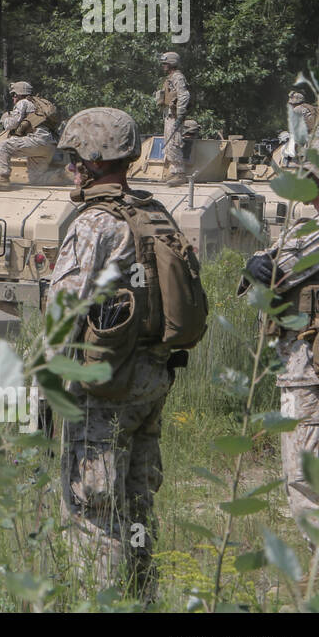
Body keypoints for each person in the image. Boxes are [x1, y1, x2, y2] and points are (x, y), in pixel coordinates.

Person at [50, 107, 189, 594]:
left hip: (103, 389)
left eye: (73, 159)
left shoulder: (96, 223)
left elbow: (60, 311)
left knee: (94, 512)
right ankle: (143, 599)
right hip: (152, 378)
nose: (70, 169)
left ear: (91, 160)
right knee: (137, 503)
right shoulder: (154, 212)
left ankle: (103, 604)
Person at [244, 130, 319, 572]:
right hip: (315, 365)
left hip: (313, 371)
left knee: (311, 474)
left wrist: (263, 263)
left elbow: (275, 268)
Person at [0, 81, 60, 190]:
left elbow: (13, 124)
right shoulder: (38, 104)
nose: (13, 98)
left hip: (36, 141)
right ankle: (64, 175)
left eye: (13, 95)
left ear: (18, 94)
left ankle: (3, 180)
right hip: (49, 145)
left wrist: (5, 119)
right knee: (37, 179)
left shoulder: (23, 103)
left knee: (4, 146)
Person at [154, 51, 193, 186]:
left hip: (175, 115)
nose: (163, 66)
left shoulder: (178, 77)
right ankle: (174, 171)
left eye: (165, 63)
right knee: (169, 144)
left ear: (172, 63)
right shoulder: (170, 78)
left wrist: (181, 114)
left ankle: (180, 174)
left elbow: (184, 96)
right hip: (169, 115)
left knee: (174, 143)